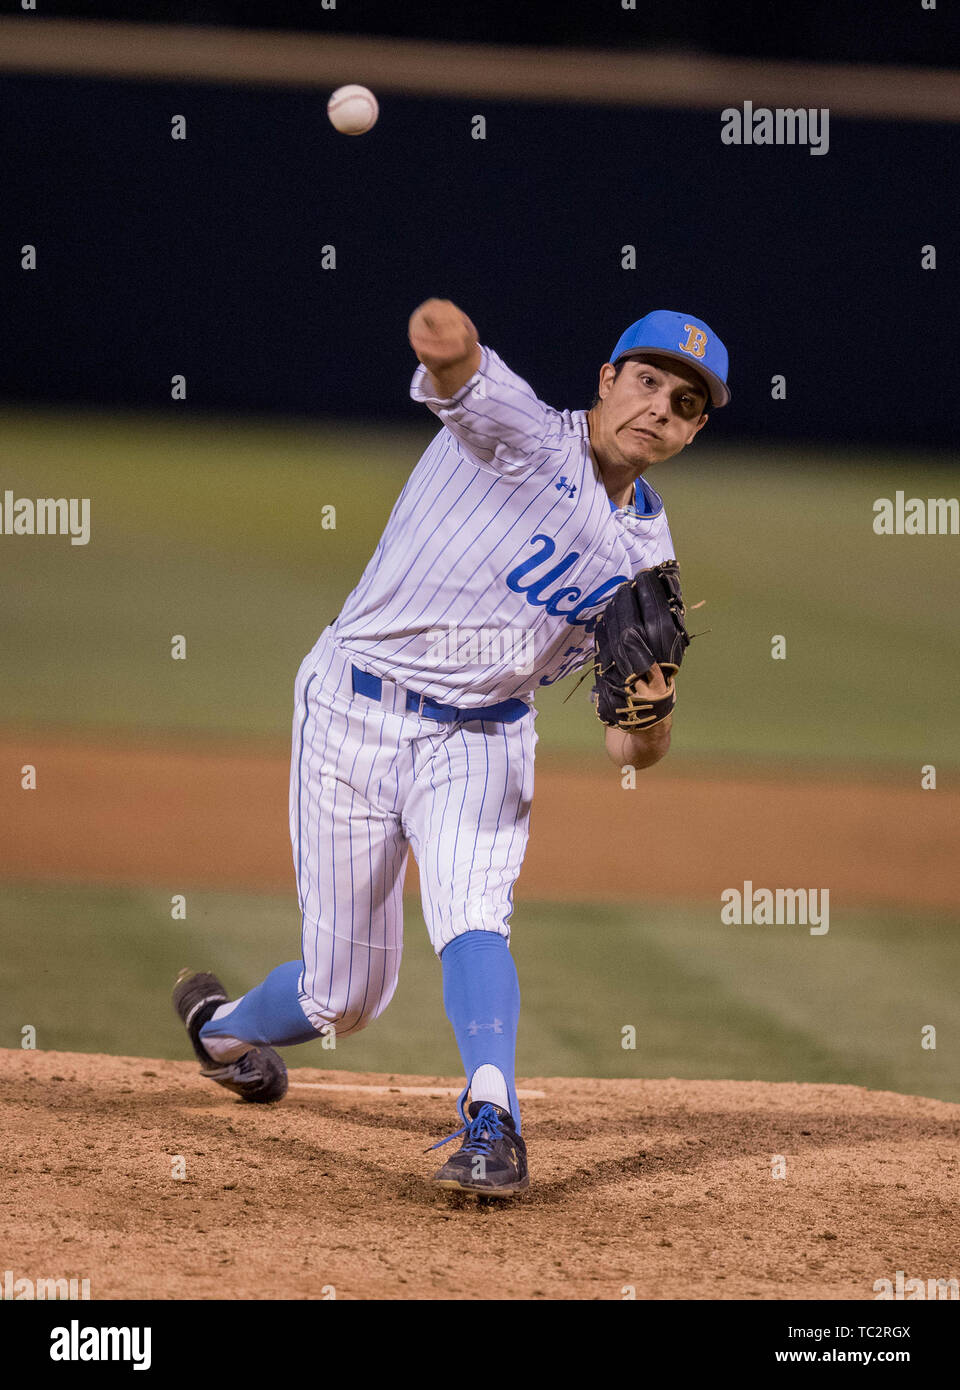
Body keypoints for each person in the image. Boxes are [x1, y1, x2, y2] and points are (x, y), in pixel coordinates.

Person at [173, 300, 730, 1197]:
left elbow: (633, 755)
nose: (660, 407)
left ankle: (492, 1117)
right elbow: (462, 377)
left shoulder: (647, 554)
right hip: (354, 708)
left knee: (474, 917)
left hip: (483, 738)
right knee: (343, 999)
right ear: (606, 380)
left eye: (687, 402)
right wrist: (447, 342)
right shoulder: (523, 433)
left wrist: (654, 712)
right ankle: (222, 1030)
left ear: (696, 431)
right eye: (649, 380)